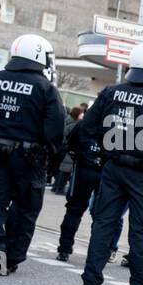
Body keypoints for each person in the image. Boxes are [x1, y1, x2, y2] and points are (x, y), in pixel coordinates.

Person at [77, 42, 143, 285]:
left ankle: (90, 282)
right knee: (141, 230)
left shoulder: (111, 92)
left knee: (103, 225)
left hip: (111, 168)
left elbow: (86, 129)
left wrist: (98, 152)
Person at [0, 34, 67, 276]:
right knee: (24, 208)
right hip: (30, 158)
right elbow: (55, 130)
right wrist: (50, 157)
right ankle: (7, 260)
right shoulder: (46, 89)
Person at [56, 109, 105, 262]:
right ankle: (96, 252)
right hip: (105, 170)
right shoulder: (115, 124)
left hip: (84, 167)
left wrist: (79, 155)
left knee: (74, 210)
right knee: (103, 215)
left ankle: (64, 248)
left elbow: (71, 142)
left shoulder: (85, 123)